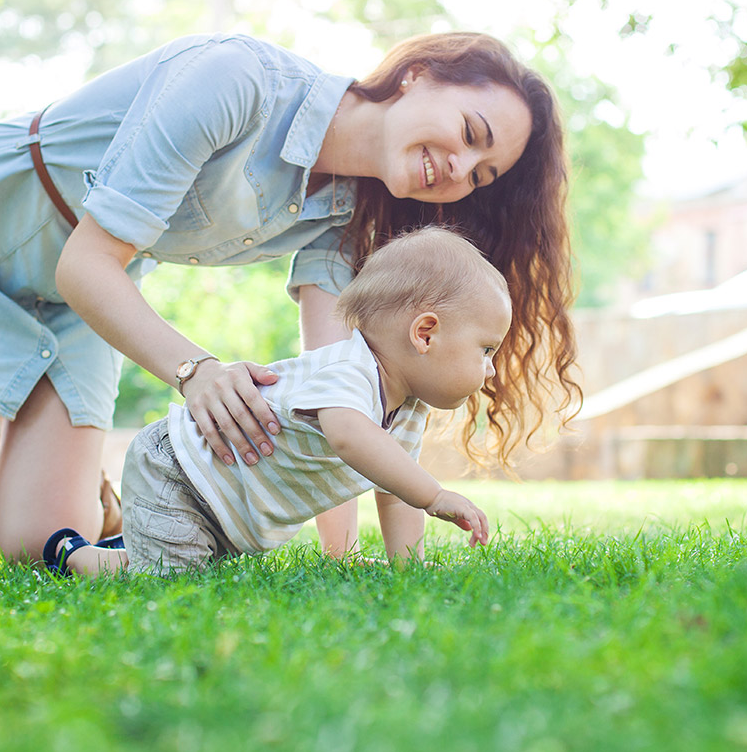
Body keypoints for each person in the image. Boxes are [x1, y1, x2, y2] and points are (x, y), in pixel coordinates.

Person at [0, 29, 578, 568]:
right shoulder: (237, 81)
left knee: (34, 543)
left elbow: (339, 386)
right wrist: (196, 371)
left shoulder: (345, 216)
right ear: (419, 75)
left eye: (479, 175)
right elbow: (87, 264)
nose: (456, 170)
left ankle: (102, 494)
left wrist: (347, 559)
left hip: (72, 308)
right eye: (468, 133)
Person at [44, 226, 501, 577]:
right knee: (170, 584)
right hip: (178, 473)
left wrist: (410, 569)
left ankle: (118, 550)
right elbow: (348, 435)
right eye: (486, 350)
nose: (491, 369)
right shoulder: (349, 371)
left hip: (228, 509)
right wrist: (434, 494)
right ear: (425, 333)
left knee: (183, 570)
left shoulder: (409, 411)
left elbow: (396, 491)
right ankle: (77, 559)